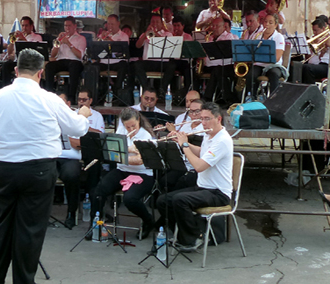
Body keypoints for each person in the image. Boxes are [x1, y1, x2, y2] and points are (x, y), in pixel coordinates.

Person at [0, 48, 91, 284]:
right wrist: (83, 114)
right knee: (29, 227)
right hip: (37, 169)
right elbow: (77, 128)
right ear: (41, 73)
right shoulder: (48, 98)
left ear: (16, 70)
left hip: (3, 167)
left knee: (1, 224)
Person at [156, 102, 234, 252]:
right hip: (204, 187)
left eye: (207, 119)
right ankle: (183, 236)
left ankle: (193, 238)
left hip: (218, 192)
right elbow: (201, 151)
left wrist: (185, 146)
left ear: (218, 119)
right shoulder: (209, 135)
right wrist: (180, 142)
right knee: (163, 200)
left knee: (180, 200)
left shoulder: (222, 140)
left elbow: (199, 166)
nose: (203, 123)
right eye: (202, 118)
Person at [91, 107, 157, 239]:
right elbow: (112, 151)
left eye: (133, 125)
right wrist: (128, 151)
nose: (131, 129)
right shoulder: (121, 130)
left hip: (143, 174)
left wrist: (121, 155)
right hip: (122, 170)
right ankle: (95, 224)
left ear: (139, 120)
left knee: (130, 199)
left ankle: (148, 221)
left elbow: (140, 161)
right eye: (128, 127)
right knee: (99, 190)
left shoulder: (146, 135)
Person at [57, 88, 106, 229]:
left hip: (74, 157)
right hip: (55, 155)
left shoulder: (96, 116)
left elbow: (84, 142)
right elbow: (75, 139)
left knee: (72, 174)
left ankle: (72, 213)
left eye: (84, 100)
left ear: (90, 101)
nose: (82, 102)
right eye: (80, 99)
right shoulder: (68, 115)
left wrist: (82, 128)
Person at [83, 14, 131, 100]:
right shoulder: (102, 36)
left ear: (118, 24)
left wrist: (110, 40)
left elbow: (122, 53)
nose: (110, 26)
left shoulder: (124, 36)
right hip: (104, 62)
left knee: (124, 66)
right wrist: (101, 42)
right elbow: (99, 53)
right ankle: (95, 94)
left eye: (112, 24)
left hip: (118, 62)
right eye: (108, 24)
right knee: (92, 67)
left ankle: (117, 92)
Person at [44, 16, 87, 103]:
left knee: (74, 67)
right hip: (61, 61)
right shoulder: (60, 38)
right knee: (49, 66)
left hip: (75, 61)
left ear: (75, 26)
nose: (67, 28)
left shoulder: (81, 38)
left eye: (69, 26)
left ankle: (71, 97)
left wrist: (69, 43)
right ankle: (49, 94)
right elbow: (53, 55)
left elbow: (80, 56)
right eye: (65, 26)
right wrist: (57, 42)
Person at [133, 12, 177, 96]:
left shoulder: (168, 34)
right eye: (153, 22)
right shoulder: (145, 34)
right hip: (148, 62)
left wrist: (156, 34)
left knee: (172, 66)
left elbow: (168, 45)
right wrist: (145, 34)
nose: (155, 24)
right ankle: (146, 89)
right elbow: (137, 45)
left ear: (161, 23)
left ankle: (162, 89)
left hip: (162, 63)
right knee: (137, 64)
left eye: (157, 22)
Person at [246, 12, 288, 97]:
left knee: (274, 75)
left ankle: (274, 100)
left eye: (270, 23)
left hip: (274, 65)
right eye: (265, 22)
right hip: (259, 65)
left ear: (276, 25)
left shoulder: (279, 37)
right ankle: (251, 97)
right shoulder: (257, 36)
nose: (267, 25)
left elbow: (276, 58)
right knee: (251, 75)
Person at [0, 16, 43, 87]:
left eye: (26, 25)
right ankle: (5, 87)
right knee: (5, 66)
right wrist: (12, 41)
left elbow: (32, 51)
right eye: (23, 26)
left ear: (31, 26)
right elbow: (9, 52)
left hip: (30, 63)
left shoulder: (37, 37)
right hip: (18, 61)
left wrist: (23, 39)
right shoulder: (18, 37)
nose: (24, 28)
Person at [202, 15, 236, 105]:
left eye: (217, 26)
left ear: (223, 27)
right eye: (213, 26)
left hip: (225, 65)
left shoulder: (229, 37)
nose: (214, 28)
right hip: (210, 66)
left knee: (218, 71)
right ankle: (227, 98)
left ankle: (208, 97)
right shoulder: (209, 38)